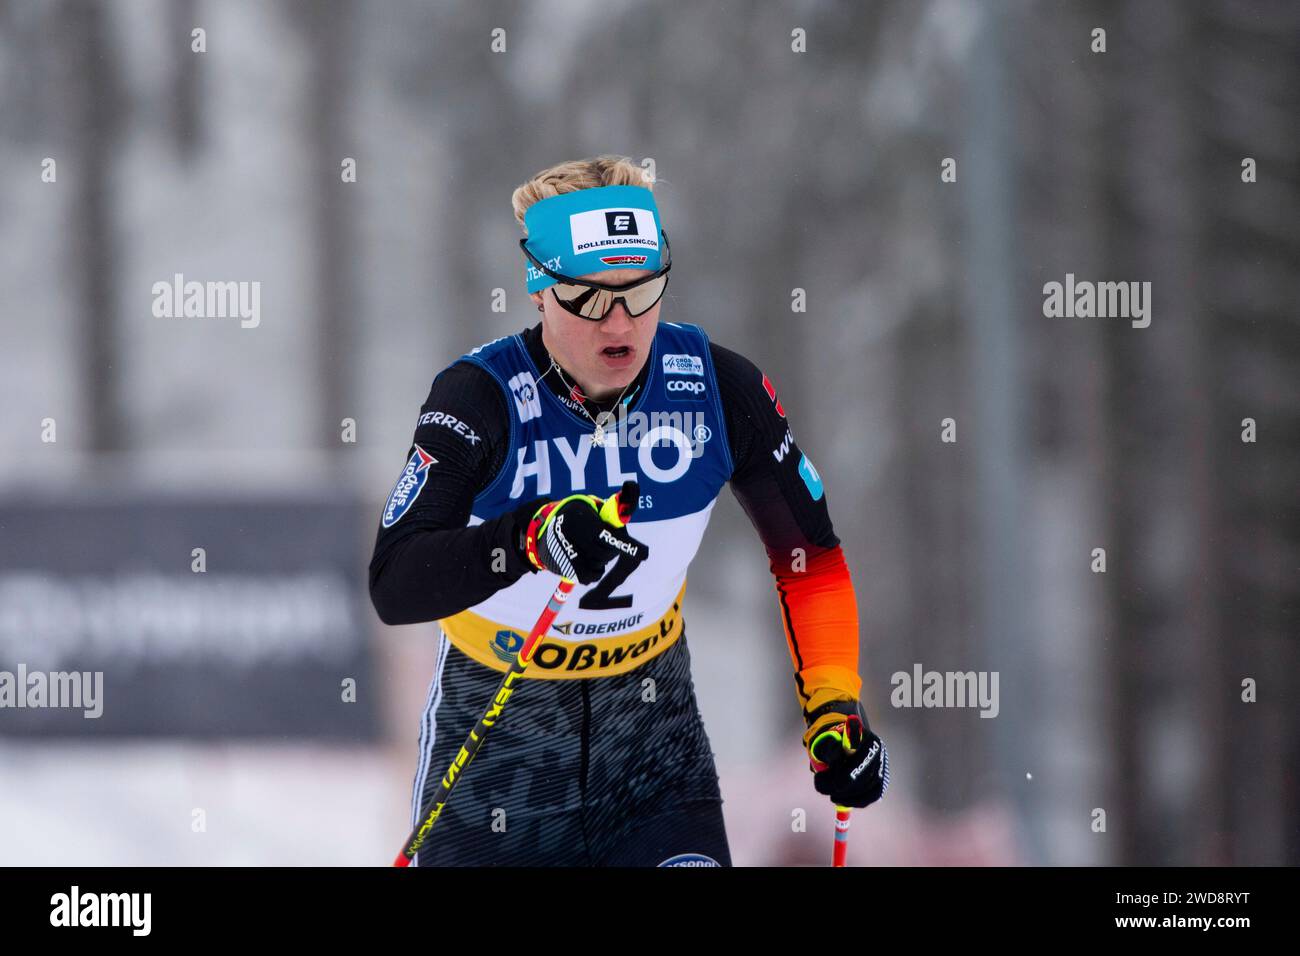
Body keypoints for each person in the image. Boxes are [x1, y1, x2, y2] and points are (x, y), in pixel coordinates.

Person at [369, 155, 888, 866]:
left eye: (642, 291)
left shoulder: (714, 387)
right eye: (589, 298)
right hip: (499, 736)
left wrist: (835, 706)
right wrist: (529, 539)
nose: (621, 321)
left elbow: (811, 557)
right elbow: (395, 582)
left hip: (651, 734)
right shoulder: (479, 396)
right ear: (540, 292)